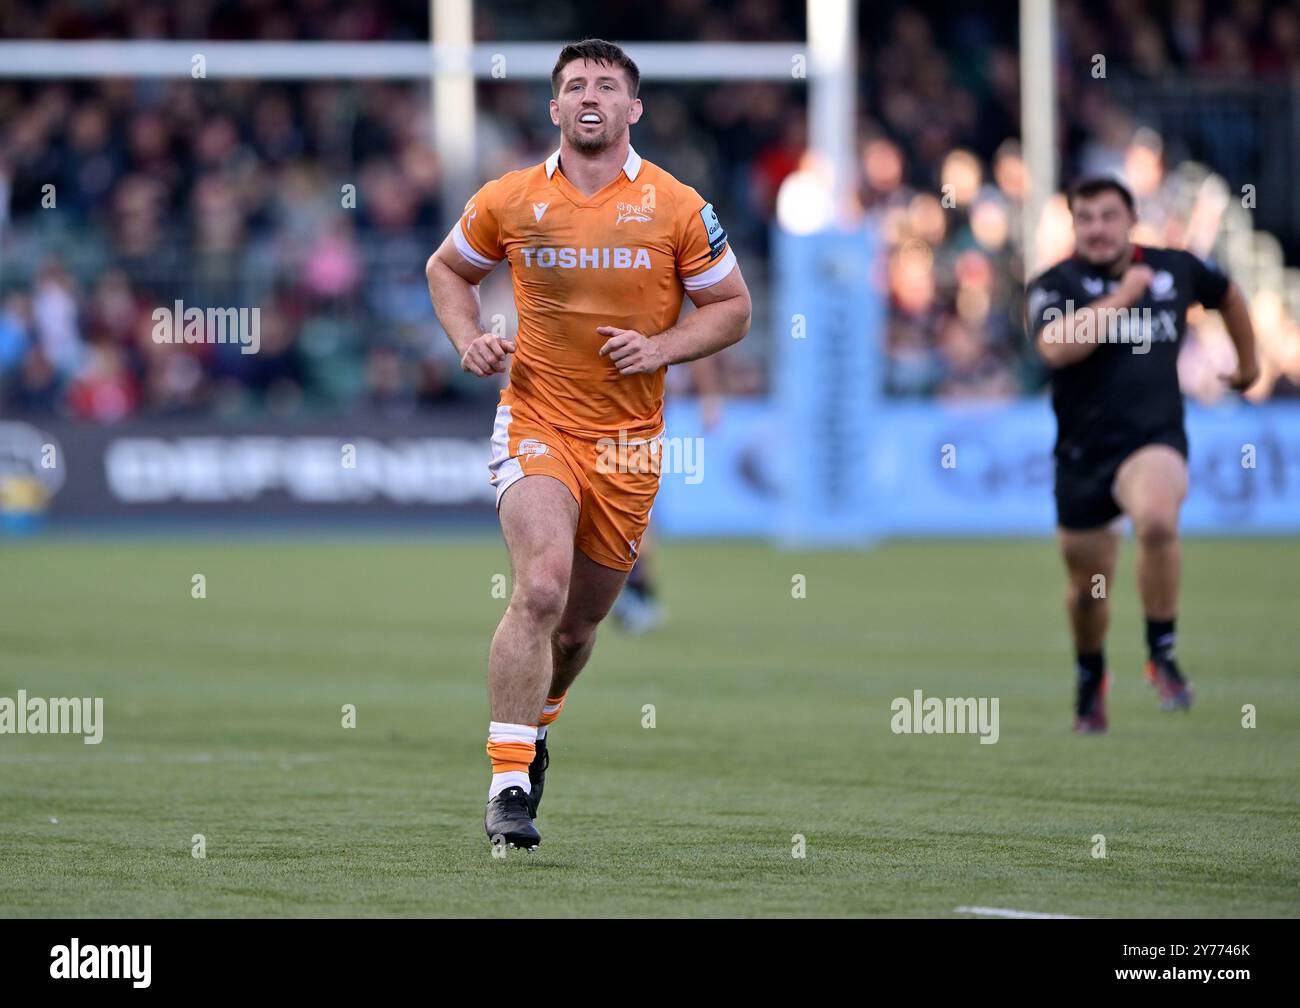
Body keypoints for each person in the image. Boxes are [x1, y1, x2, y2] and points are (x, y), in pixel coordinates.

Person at [425, 38, 751, 847]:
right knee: (540, 587)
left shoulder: (678, 205)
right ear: (555, 108)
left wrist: (663, 347)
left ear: (633, 108)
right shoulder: (511, 197)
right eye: (575, 85)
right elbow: (447, 270)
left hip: (630, 444)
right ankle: (506, 786)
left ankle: (534, 731)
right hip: (536, 416)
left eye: (607, 84)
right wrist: (467, 339)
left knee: (576, 628)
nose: (590, 95)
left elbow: (733, 307)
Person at [1026, 176, 1258, 733]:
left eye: (1109, 215)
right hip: (1083, 456)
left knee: (1156, 520)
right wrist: (1125, 296)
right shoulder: (1052, 285)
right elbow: (1057, 348)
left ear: (1131, 219)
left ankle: (1162, 652)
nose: (1098, 228)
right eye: (1086, 218)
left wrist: (1248, 365)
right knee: (1088, 591)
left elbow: (1226, 294)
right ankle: (1090, 674)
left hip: (1153, 439)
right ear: (1074, 225)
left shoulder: (1175, 268)